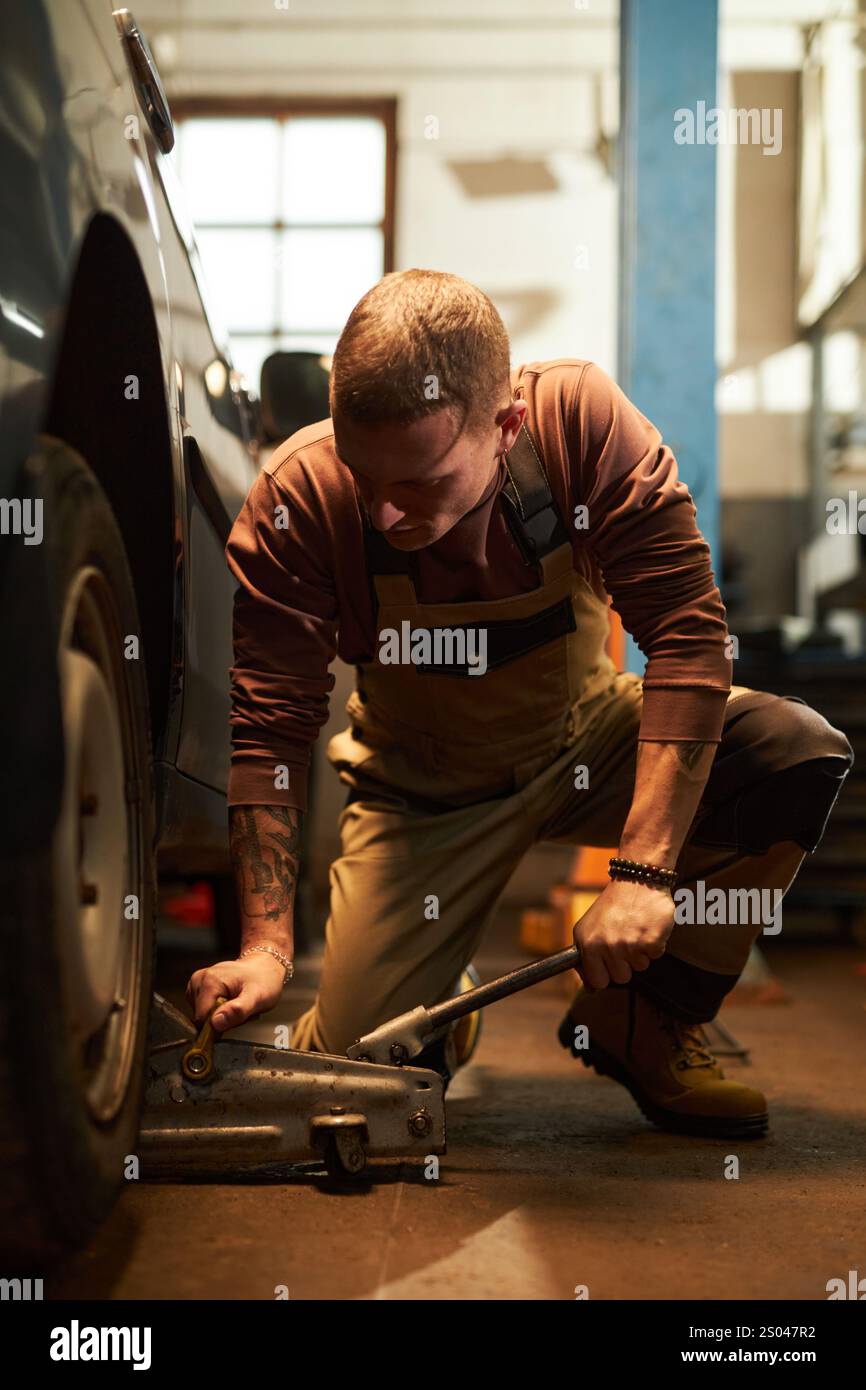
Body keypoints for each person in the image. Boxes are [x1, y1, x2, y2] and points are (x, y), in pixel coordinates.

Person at [186, 269, 853, 1138]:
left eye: (420, 484)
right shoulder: (300, 500)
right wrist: (267, 946)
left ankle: (640, 1024)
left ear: (506, 427)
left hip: (589, 749)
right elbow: (268, 731)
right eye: (365, 477)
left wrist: (644, 872)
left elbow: (689, 640)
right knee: (359, 1076)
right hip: (422, 797)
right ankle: (441, 1004)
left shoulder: (579, 426)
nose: (386, 515)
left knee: (790, 750)